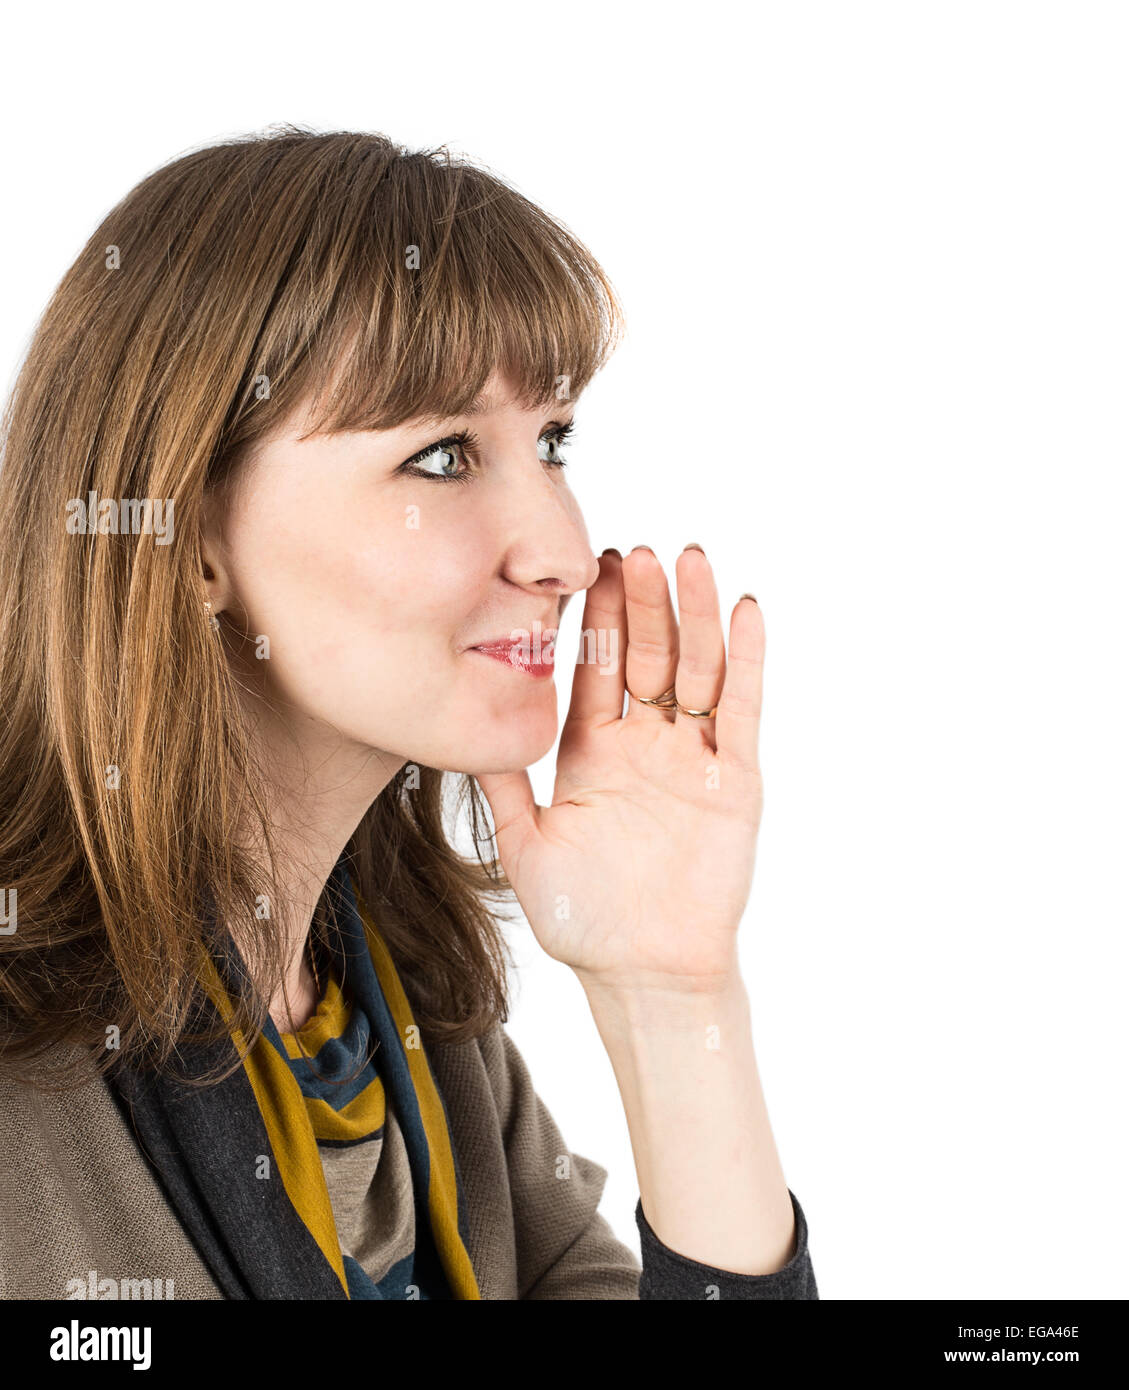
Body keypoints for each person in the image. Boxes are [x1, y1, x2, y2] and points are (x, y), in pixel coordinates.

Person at [0, 125, 817, 1300]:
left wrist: (670, 996)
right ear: (184, 541)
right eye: (440, 456)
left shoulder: (422, 1022)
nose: (564, 551)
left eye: (552, 441)